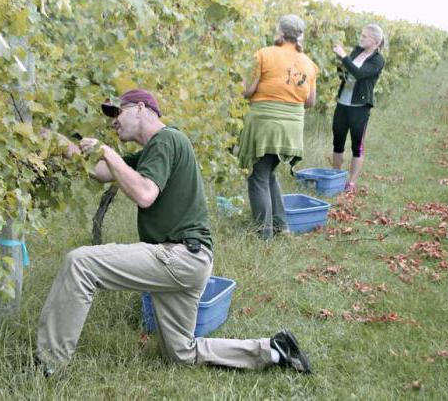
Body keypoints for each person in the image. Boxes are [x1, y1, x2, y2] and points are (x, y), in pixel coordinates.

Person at [34, 89, 311, 376]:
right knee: (181, 353)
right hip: (190, 260)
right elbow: (101, 171)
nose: (113, 122)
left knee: (80, 263)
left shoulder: (167, 140)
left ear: (141, 108)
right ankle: (273, 350)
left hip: (179, 256)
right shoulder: (152, 151)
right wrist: (59, 143)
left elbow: (144, 194)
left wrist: (107, 150)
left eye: (118, 112)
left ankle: (48, 364)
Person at [240, 15, 318, 239]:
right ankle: (281, 227)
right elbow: (310, 102)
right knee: (268, 173)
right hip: (292, 129)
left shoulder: (263, 54)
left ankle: (263, 235)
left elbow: (247, 90)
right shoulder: (309, 64)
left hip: (266, 126)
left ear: (279, 33)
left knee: (257, 177)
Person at [331, 24, 386, 192]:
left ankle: (351, 182)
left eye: (364, 37)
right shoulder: (356, 51)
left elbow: (359, 73)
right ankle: (336, 177)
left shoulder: (378, 60)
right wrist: (340, 65)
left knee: (357, 145)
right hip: (343, 103)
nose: (360, 39)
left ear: (375, 41)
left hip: (360, 107)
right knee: (337, 141)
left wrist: (343, 56)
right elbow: (345, 73)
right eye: (361, 35)